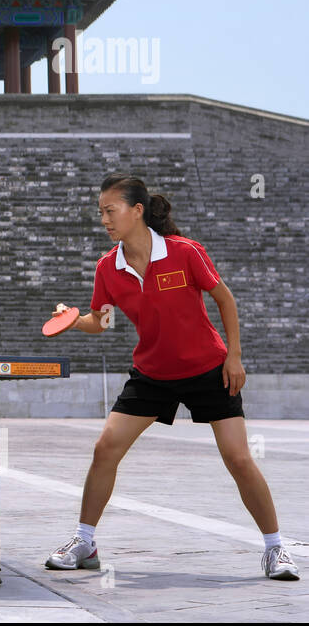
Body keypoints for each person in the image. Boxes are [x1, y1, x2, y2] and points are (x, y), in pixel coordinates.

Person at [44, 173, 296, 580]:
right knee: (105, 448)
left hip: (207, 369)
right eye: (101, 213)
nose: (105, 220)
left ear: (137, 210)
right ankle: (84, 542)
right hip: (152, 373)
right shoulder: (109, 267)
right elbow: (103, 321)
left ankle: (275, 549)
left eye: (111, 211)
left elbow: (224, 299)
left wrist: (234, 357)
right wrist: (73, 320)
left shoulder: (184, 252)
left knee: (238, 458)